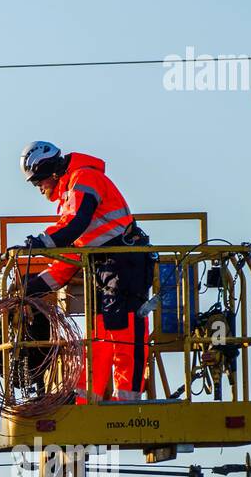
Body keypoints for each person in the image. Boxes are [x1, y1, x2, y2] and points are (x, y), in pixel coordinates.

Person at [16, 141, 152, 403]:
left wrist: (42, 243)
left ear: (50, 172)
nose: (39, 188)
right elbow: (69, 258)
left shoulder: (84, 178)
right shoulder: (70, 193)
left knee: (125, 333)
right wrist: (32, 288)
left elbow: (76, 224)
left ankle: (129, 401)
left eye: (38, 182)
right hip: (101, 267)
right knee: (97, 337)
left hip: (125, 263)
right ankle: (87, 398)